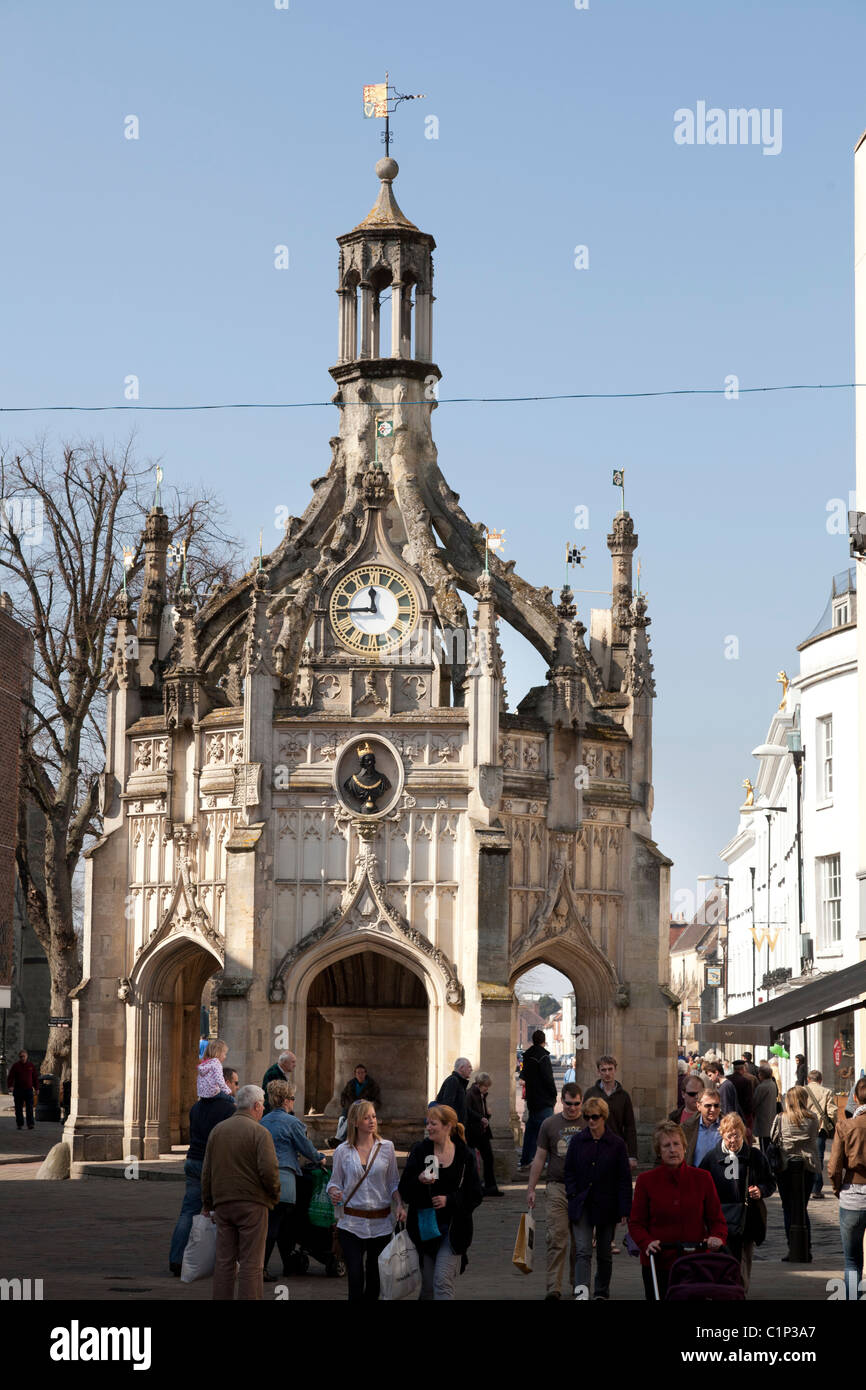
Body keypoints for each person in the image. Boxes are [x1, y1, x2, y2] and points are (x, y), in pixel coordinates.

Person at [628, 1121, 727, 1300]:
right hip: (658, 1262)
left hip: (694, 1262)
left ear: (684, 1147)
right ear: (659, 1151)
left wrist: (717, 1236)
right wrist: (646, 1242)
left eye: (676, 1144)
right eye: (666, 1145)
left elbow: (717, 1220)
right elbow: (636, 1223)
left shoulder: (702, 1178)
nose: (672, 1150)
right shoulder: (646, 1181)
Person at [201, 1084, 280, 1301]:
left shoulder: (218, 1130)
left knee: (224, 1261)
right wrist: (273, 1195)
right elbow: (269, 1170)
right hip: (252, 1204)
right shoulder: (260, 1132)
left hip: (223, 1204)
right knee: (251, 1263)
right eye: (262, 1106)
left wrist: (208, 1202)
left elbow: (207, 1170)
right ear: (256, 1106)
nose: (263, 1110)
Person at [399, 1103, 483, 1300]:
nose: (428, 1127)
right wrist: (419, 1180)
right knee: (428, 1287)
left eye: (433, 1124)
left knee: (442, 1281)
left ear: (448, 1126)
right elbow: (405, 1190)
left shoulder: (464, 1155)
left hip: (454, 1230)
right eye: (427, 1123)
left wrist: (450, 1200)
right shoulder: (421, 1151)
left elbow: (475, 1194)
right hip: (425, 1228)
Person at [328, 1100, 404, 1301]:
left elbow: (393, 1182)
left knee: (375, 1278)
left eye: (374, 1116)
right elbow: (334, 1182)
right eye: (366, 1117)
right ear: (354, 1121)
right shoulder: (343, 1150)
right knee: (355, 1276)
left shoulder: (387, 1147)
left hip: (381, 1223)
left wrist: (400, 1205)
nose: (372, 1121)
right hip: (351, 1223)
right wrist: (334, 1192)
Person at [169, 1066, 238, 1275]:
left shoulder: (196, 1108)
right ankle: (223, 1261)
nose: (236, 1086)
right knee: (223, 1213)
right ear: (224, 1083)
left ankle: (176, 1259)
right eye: (235, 1082)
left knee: (188, 1212)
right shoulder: (229, 1110)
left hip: (193, 1160)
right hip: (214, 1165)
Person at [564, 1096, 632, 1301]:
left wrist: (624, 1209)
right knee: (583, 1250)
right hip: (582, 1203)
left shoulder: (617, 1144)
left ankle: (601, 1292)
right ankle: (582, 1293)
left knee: (604, 1253)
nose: (591, 1121)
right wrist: (573, 1193)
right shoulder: (577, 1141)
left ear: (603, 1117)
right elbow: (569, 1171)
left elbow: (623, 1179)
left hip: (607, 1204)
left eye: (595, 1117)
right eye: (587, 1117)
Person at [698, 1112, 775, 1292]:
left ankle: (740, 1291)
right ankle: (726, 1289)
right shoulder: (711, 1158)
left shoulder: (755, 1157)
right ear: (722, 1135)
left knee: (743, 1259)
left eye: (737, 1136)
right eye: (729, 1136)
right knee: (724, 1257)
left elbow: (770, 1182)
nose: (733, 1140)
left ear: (743, 1134)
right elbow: (701, 1184)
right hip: (721, 1217)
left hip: (747, 1217)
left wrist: (760, 1190)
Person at [260, 1079, 326, 1281]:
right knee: (279, 1225)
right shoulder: (292, 1122)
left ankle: (286, 1264)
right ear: (286, 1100)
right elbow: (306, 1148)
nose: (293, 1102)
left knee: (276, 1224)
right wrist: (320, 1158)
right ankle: (263, 1268)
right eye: (292, 1098)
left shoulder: (263, 1121)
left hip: (262, 1179)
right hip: (284, 1179)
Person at [526, 1083, 585, 1299]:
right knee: (556, 1238)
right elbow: (540, 1157)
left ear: (581, 1102)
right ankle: (554, 1287)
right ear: (562, 1101)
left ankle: (579, 1284)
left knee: (581, 1242)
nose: (572, 1108)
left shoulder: (590, 1122)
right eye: (568, 1103)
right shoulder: (549, 1124)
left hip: (582, 1190)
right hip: (556, 1187)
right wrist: (531, 1188)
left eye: (576, 1104)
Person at [771, 1085, 819, 1260]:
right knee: (802, 1207)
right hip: (808, 1165)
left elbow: (773, 1137)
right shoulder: (813, 1118)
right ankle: (806, 1246)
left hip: (785, 1166)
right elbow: (814, 1136)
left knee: (788, 1207)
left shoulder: (781, 1118)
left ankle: (793, 1246)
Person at [828, 1077, 866, 1298]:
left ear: (854, 1098)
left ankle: (852, 1296)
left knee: (852, 1260)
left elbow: (834, 1167)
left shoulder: (845, 1126)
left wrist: (836, 1189)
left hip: (852, 1192)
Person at [582, 1055, 638, 1169]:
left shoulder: (624, 1096)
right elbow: (584, 1122)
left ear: (615, 1070)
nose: (607, 1073)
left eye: (610, 1069)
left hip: (616, 1146)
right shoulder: (590, 1093)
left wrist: (632, 1156)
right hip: (594, 1146)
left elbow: (630, 1126)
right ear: (598, 1071)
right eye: (603, 1070)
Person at [518, 1032, 557, 1168]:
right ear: (544, 1041)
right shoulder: (543, 1056)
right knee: (548, 1132)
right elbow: (548, 1078)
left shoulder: (527, 1056)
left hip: (532, 1099)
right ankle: (547, 1162)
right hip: (544, 1099)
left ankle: (526, 1160)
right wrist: (554, 1094)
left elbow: (523, 1076)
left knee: (531, 1131)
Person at [466, 1071, 502, 1196]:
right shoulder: (470, 1094)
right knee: (477, 1160)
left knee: (488, 1158)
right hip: (474, 1133)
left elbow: (483, 1115)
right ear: (479, 1084)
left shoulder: (481, 1095)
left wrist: (487, 1116)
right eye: (485, 1086)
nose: (487, 1089)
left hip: (482, 1132)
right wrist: (481, 1118)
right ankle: (479, 1187)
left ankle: (491, 1186)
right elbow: (468, 1111)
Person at [804, 1069, 837, 1199]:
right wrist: (833, 1124)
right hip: (819, 1128)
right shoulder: (827, 1092)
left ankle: (806, 1185)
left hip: (804, 1128)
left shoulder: (802, 1090)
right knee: (818, 1157)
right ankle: (816, 1189)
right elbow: (832, 1112)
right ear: (820, 1080)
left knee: (805, 1156)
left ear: (808, 1079)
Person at [683, 1089, 721, 1165]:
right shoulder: (687, 1128)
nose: (713, 1110)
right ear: (698, 1106)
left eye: (716, 1105)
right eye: (708, 1106)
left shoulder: (729, 1126)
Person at [7, 1049, 39, 1130]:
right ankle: (20, 1124)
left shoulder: (31, 1065)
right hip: (18, 1090)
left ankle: (30, 1124)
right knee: (18, 1109)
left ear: (27, 1056)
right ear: (19, 1057)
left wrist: (37, 1088)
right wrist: (10, 1086)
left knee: (30, 1108)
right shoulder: (16, 1066)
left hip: (28, 1090)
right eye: (21, 1057)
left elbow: (35, 1078)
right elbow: (10, 1077)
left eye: (24, 1056)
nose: (22, 1058)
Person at [435, 1058, 473, 1126]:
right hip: (453, 1127)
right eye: (469, 1067)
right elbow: (447, 1105)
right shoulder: (453, 1080)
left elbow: (463, 1107)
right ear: (461, 1068)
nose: (471, 1070)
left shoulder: (460, 1082)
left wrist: (480, 1118)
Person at [752, 1065, 778, 1154]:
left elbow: (755, 1102)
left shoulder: (762, 1087)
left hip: (763, 1119)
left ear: (762, 1075)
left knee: (764, 1146)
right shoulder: (772, 1084)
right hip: (770, 1117)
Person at [729, 1060, 756, 1129]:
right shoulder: (746, 1081)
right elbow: (748, 1099)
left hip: (730, 1111)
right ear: (743, 1069)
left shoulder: (728, 1079)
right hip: (743, 1112)